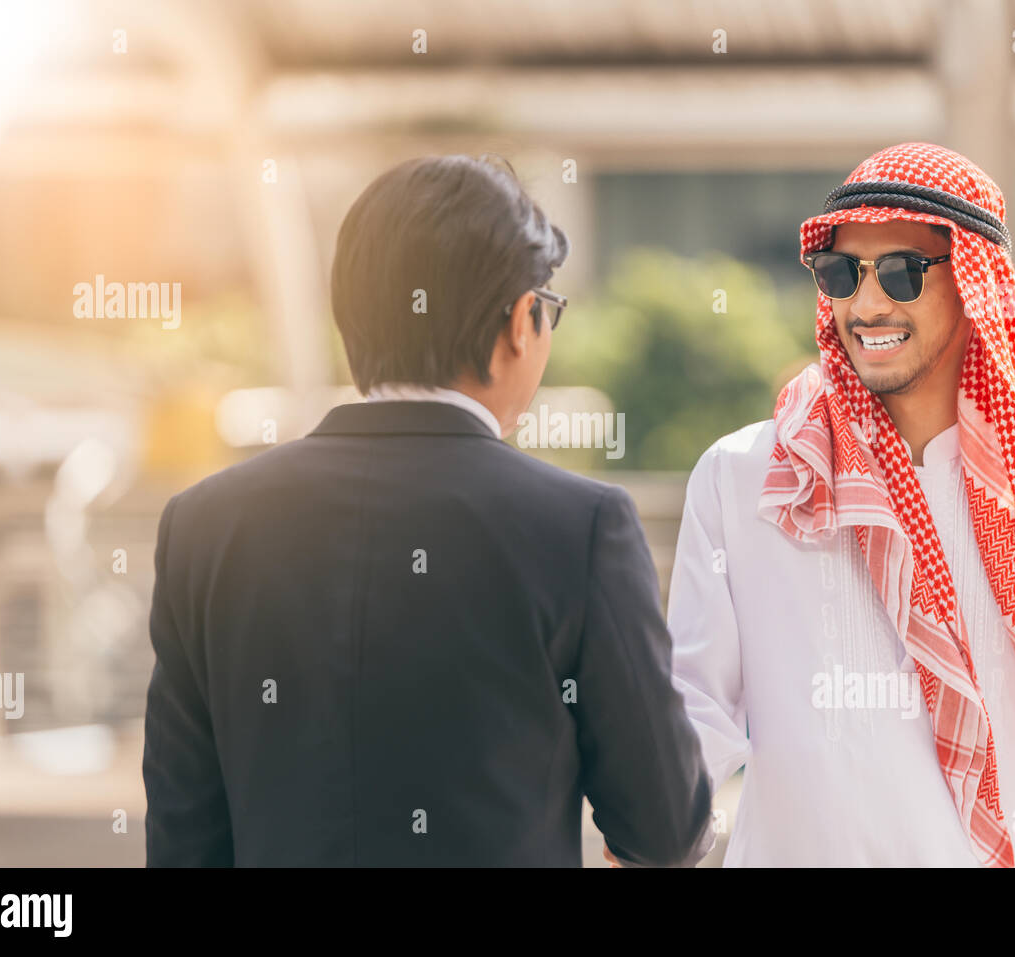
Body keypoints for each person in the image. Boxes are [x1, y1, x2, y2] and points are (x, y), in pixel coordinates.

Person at [143, 154, 713, 866]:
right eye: (550, 312)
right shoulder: (582, 528)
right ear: (520, 321)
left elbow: (182, 841)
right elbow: (665, 829)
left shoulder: (204, 526)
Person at [666, 142, 1015, 867]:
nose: (867, 305)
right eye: (841, 273)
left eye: (901, 272)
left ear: (976, 284)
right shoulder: (747, 476)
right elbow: (691, 718)